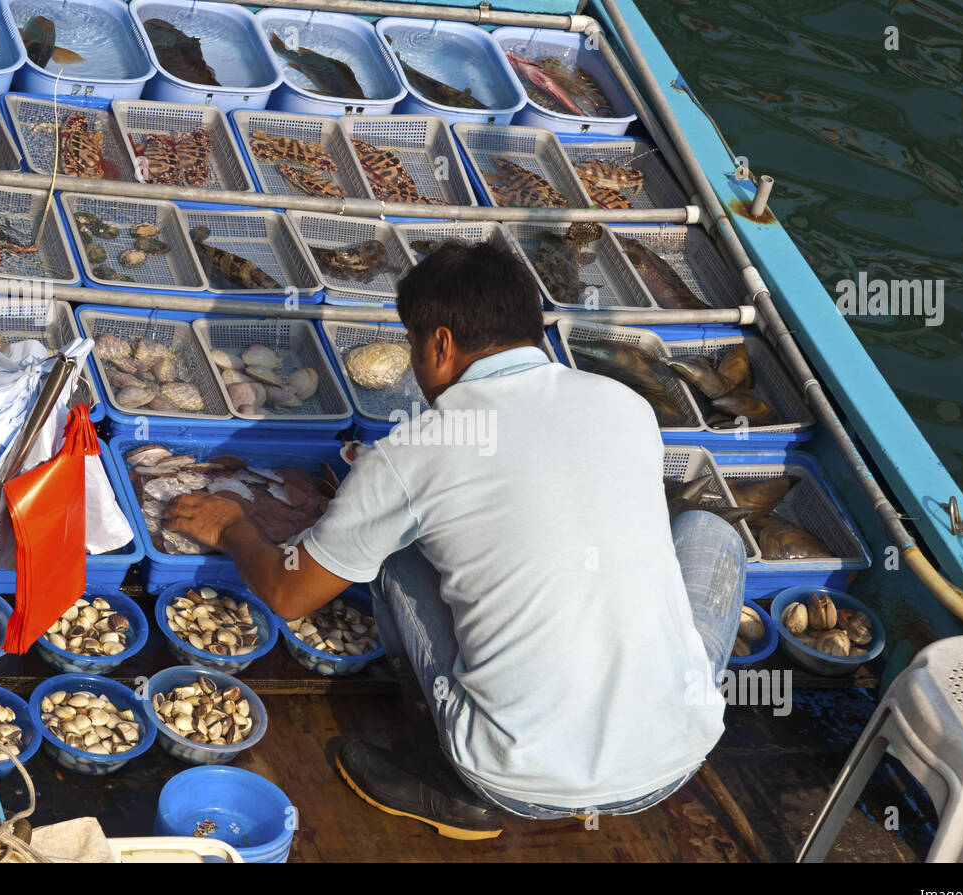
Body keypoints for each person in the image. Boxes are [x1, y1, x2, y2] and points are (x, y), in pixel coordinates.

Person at [163, 240, 747, 840]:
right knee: (710, 532)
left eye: (415, 348)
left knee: (390, 558)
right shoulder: (625, 405)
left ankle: (449, 786)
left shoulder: (417, 449)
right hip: (673, 760)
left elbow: (290, 595)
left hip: (513, 777)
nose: (417, 370)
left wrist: (230, 524)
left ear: (440, 344)